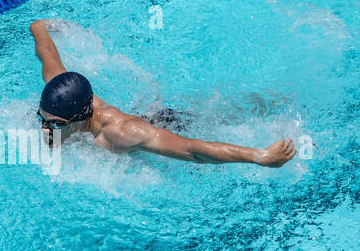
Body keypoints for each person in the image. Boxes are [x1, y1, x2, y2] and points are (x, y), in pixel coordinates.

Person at [31, 19, 295, 166]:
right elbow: (48, 54)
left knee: (219, 119)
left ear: (79, 117)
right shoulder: (58, 91)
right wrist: (39, 27)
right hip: (137, 117)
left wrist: (259, 156)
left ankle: (269, 102)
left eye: (53, 124)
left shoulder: (123, 133)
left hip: (163, 123)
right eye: (42, 118)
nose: (44, 128)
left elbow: (193, 150)